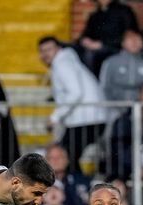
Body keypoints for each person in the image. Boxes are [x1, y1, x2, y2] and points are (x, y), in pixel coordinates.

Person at [38, 37, 112, 172]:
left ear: (59, 49)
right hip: (89, 118)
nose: (45, 54)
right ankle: (74, 185)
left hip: (87, 119)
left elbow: (75, 93)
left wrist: (55, 117)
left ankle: (74, 186)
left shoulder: (62, 63)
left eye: (49, 49)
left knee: (65, 156)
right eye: (42, 51)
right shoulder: (67, 61)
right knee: (68, 156)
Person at [77, 0, 139, 74]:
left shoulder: (124, 11)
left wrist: (101, 44)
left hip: (115, 48)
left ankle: (92, 84)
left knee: (89, 55)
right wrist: (85, 40)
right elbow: (85, 34)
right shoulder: (96, 15)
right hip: (95, 48)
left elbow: (131, 36)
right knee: (71, 50)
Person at [99, 29, 143, 104]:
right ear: (123, 43)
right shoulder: (111, 62)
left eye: (137, 39)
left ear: (142, 44)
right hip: (114, 108)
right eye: (130, 39)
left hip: (140, 108)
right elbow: (103, 87)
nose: (134, 42)